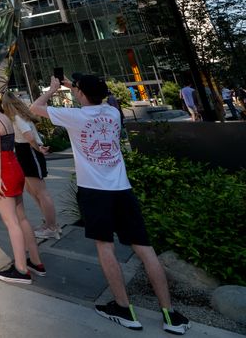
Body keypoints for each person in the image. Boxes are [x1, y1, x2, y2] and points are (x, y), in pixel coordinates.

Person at [31, 74, 190, 334]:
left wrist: (53, 89)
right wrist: (77, 87)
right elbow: (93, 99)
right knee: (145, 249)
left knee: (105, 247)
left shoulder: (75, 116)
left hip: (94, 192)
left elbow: (34, 107)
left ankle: (123, 309)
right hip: (122, 189)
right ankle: (169, 314)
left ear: (81, 94)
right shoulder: (113, 113)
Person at [0, 87, 44, 284]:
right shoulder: (5, 117)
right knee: (21, 218)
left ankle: (21, 270)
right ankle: (36, 262)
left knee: (12, 223)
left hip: (3, 170)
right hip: (14, 166)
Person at [2, 92, 60, 239]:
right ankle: (48, 223)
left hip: (29, 153)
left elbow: (29, 137)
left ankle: (52, 227)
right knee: (32, 190)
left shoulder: (17, 117)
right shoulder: (19, 117)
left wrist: (38, 149)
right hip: (25, 153)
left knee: (41, 192)